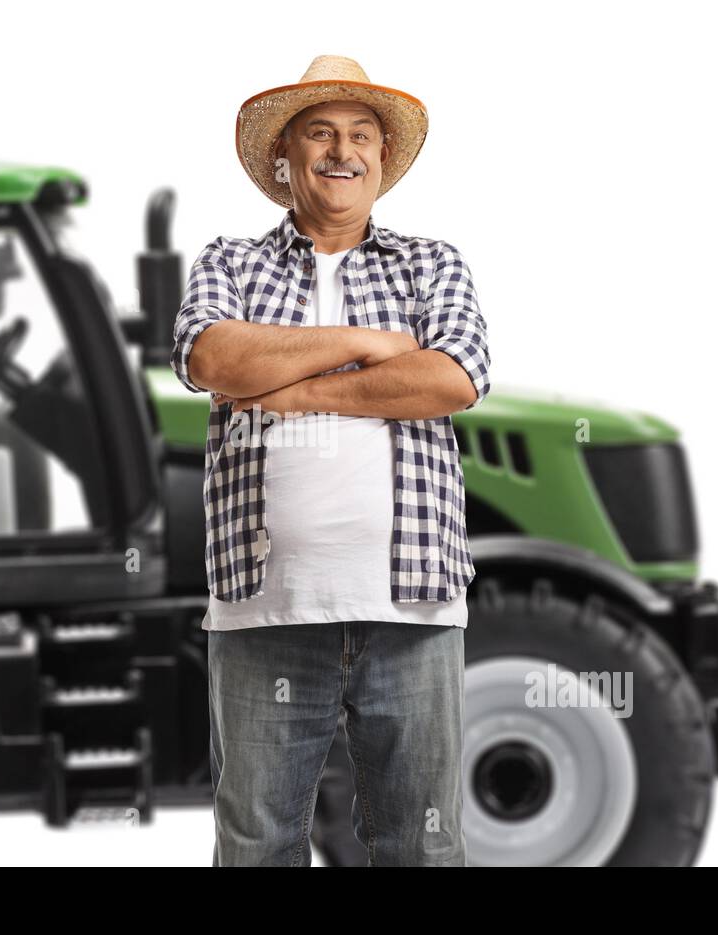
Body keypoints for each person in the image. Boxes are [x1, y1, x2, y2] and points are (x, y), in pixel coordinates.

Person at [171, 54, 492, 866]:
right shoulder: (230, 263)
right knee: (255, 847)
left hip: (410, 609)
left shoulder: (433, 264)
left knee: (421, 846)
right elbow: (212, 358)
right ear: (285, 158)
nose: (341, 151)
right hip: (263, 611)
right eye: (319, 133)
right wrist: (364, 346)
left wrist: (294, 389)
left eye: (360, 136)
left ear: (382, 160)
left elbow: (453, 376)